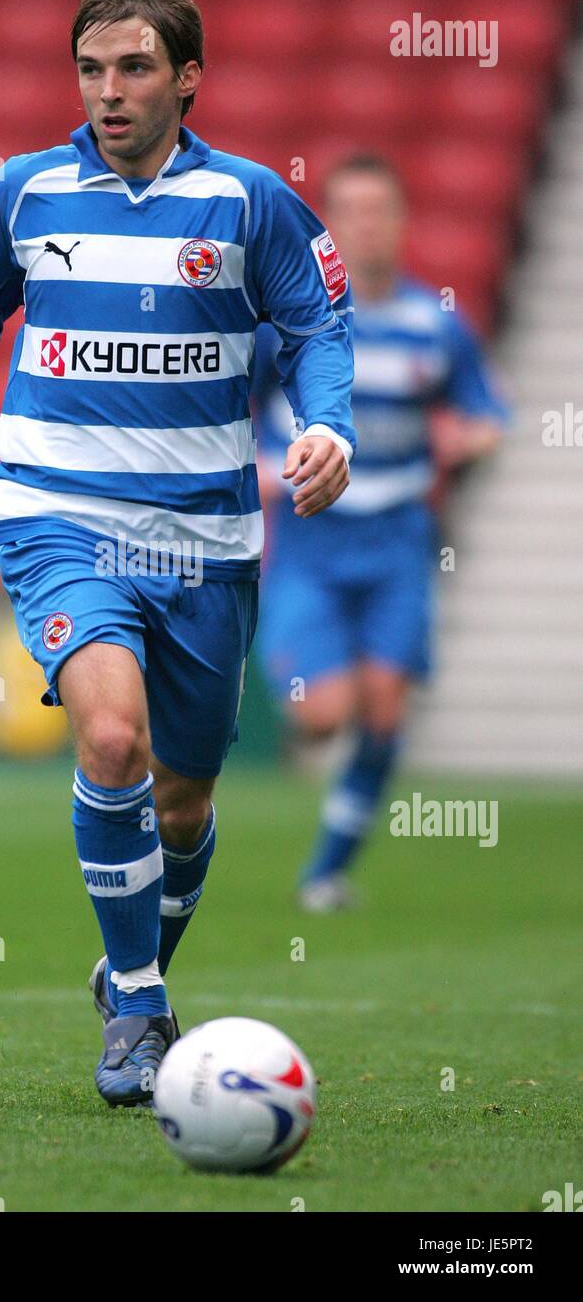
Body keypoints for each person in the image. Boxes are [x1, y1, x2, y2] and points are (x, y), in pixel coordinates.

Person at [0, 0, 355, 1105]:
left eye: (134, 67)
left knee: (183, 803)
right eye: (90, 69)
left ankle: (130, 975)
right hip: (60, 517)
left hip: (205, 539)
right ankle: (142, 1006)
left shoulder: (250, 204)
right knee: (111, 740)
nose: (108, 91)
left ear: (188, 78)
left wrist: (328, 426)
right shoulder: (24, 193)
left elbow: (315, 320)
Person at [251, 153, 506, 913]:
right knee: (321, 712)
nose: (366, 225)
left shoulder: (434, 323)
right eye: (351, 211)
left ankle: (325, 872)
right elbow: (233, 415)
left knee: (387, 707)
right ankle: (332, 727)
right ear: (327, 230)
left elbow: (486, 412)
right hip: (309, 537)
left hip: (397, 536)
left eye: (379, 209)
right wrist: (264, 468)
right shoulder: (287, 326)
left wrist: (471, 439)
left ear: (399, 222)